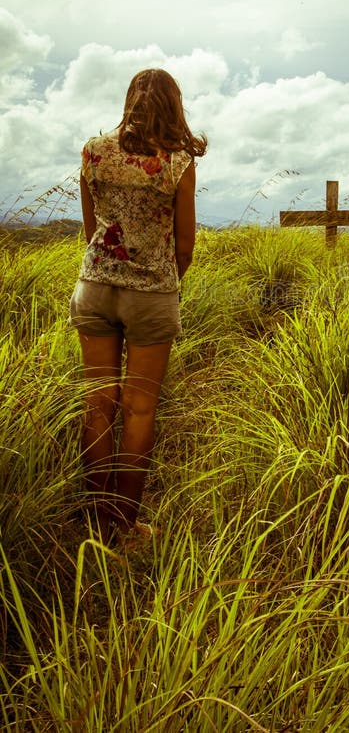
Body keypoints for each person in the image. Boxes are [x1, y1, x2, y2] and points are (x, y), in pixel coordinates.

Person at [70, 68, 207, 546]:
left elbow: (91, 230)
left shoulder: (93, 151)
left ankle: (96, 521)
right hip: (151, 295)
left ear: (129, 100)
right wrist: (162, 284)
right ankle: (126, 528)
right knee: (139, 409)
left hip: (94, 287)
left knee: (98, 407)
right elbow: (185, 245)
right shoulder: (178, 162)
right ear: (174, 105)